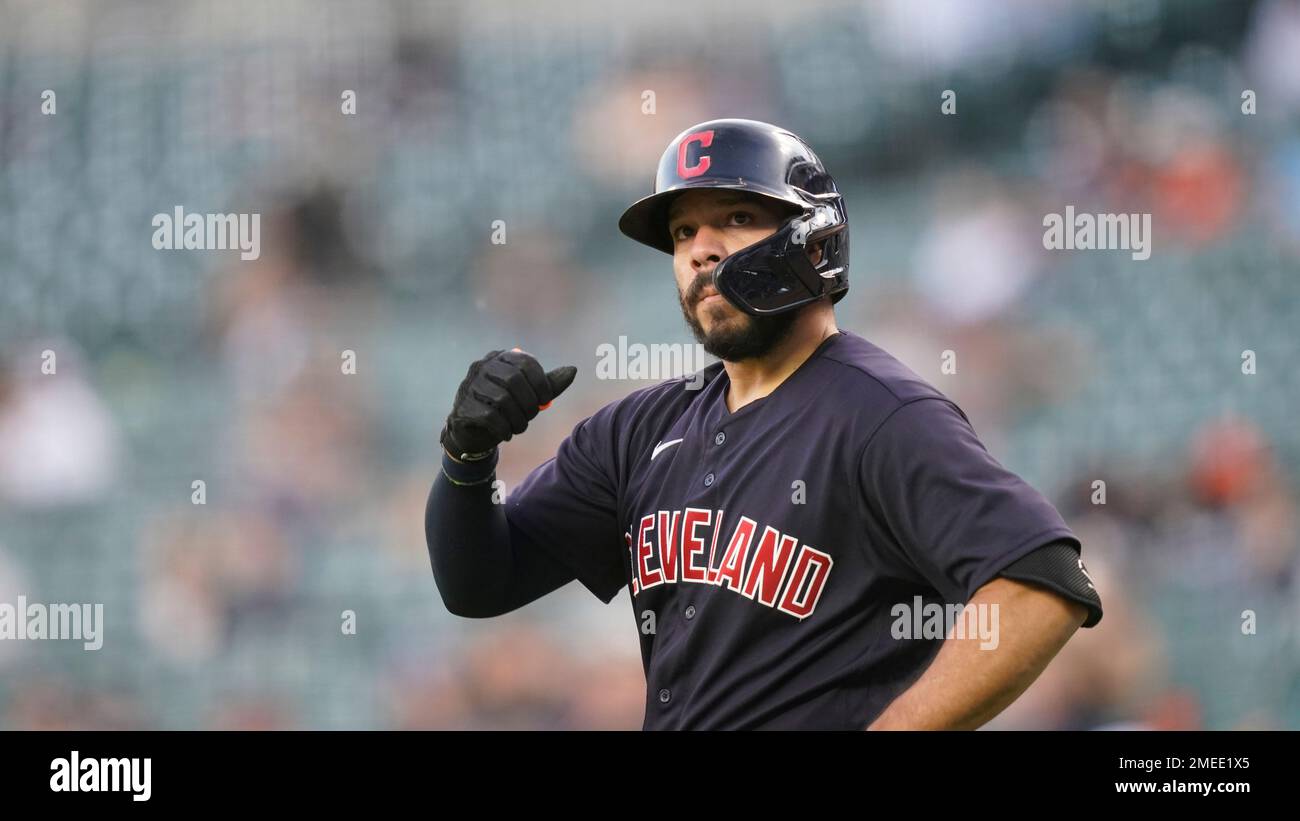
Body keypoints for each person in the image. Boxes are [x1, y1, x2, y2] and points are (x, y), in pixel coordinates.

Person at [426, 119, 1102, 730]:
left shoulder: (881, 415)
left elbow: (1041, 581)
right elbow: (480, 583)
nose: (699, 249)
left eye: (737, 216)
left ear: (813, 238)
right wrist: (467, 455)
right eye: (684, 231)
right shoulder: (636, 430)